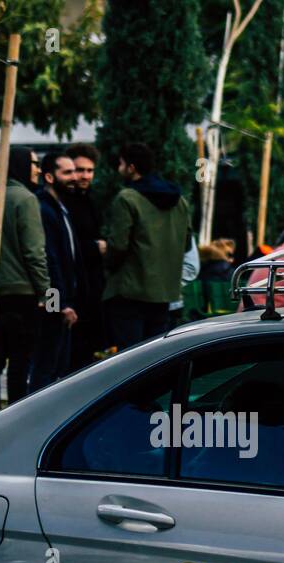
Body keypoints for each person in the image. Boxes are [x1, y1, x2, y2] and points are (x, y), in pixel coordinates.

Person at [0, 146, 49, 413]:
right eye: (33, 163)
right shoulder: (25, 200)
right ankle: (17, 414)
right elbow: (34, 252)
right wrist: (47, 295)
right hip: (23, 294)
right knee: (20, 362)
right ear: (19, 165)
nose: (38, 169)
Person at [102, 142, 193, 349]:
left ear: (131, 168)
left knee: (128, 357)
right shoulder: (180, 201)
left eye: (121, 164)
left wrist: (107, 264)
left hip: (129, 290)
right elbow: (186, 243)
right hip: (164, 293)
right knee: (154, 356)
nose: (119, 168)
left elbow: (118, 245)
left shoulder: (127, 199)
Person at [32, 152, 82, 392]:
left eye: (74, 171)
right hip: (55, 302)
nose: (74, 177)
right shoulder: (44, 208)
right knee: (47, 366)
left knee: (58, 366)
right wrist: (59, 304)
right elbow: (49, 258)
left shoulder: (61, 207)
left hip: (64, 299)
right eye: (67, 172)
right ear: (50, 177)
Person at [63, 143, 107, 371]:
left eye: (90, 171)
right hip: (69, 288)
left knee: (86, 350)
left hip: (92, 287)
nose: (84, 176)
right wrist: (93, 247)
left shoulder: (92, 199)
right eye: (80, 170)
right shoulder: (63, 202)